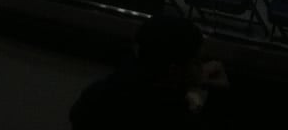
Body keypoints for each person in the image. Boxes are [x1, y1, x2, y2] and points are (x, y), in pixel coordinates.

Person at [67, 15, 228, 128]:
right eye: (197, 62)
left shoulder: (96, 97)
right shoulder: (172, 119)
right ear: (174, 70)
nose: (202, 66)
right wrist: (216, 95)